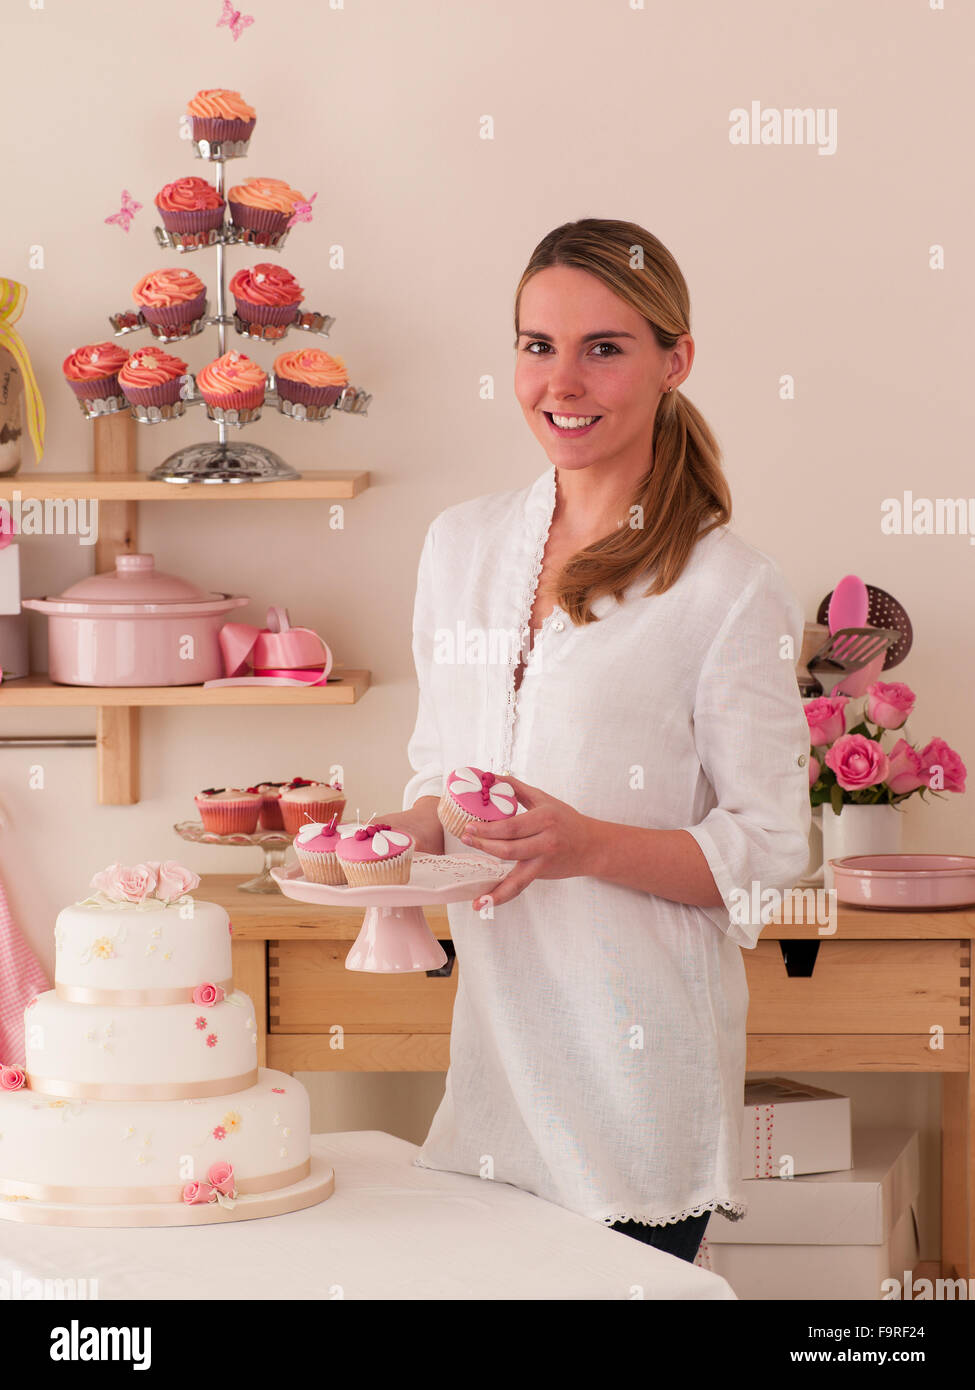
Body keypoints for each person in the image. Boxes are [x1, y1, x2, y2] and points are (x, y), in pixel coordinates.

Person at [378, 218, 811, 1267]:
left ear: (676, 360)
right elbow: (441, 768)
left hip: (635, 1089)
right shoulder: (462, 548)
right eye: (537, 345)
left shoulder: (726, 587)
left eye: (603, 347)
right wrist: (388, 845)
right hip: (495, 1077)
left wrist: (583, 846)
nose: (561, 380)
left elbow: (774, 847)